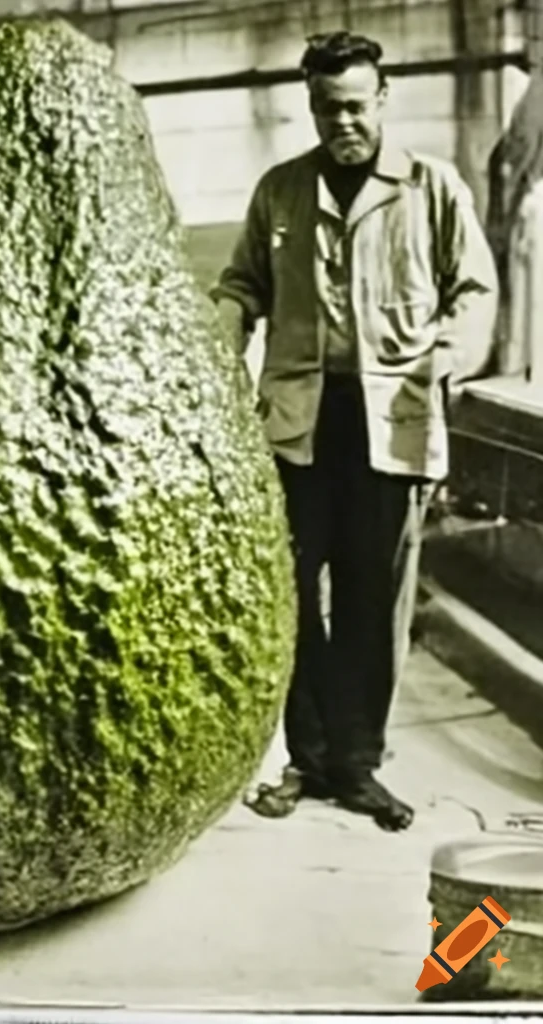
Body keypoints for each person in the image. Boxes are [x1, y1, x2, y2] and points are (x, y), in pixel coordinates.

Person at [212, 31, 498, 831]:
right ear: (311, 107)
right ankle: (305, 761)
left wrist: (447, 361)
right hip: (298, 427)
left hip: (391, 425)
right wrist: (225, 334)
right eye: (327, 107)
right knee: (295, 598)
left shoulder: (432, 189)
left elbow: (473, 289)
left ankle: (358, 766)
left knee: (375, 602)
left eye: (356, 106)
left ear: (382, 100)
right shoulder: (280, 192)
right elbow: (241, 283)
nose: (343, 122)